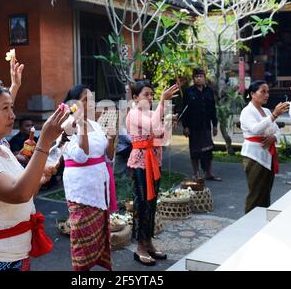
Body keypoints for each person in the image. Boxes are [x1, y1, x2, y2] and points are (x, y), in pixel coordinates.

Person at [0, 84, 68, 271]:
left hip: (16, 255)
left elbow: (26, 195)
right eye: (5, 108)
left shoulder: (4, 151)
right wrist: (45, 141)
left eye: (12, 108)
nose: (12, 115)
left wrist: (38, 179)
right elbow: (20, 194)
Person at [60, 84, 117, 271]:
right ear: (73, 103)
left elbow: (108, 157)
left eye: (92, 99)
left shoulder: (95, 124)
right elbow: (82, 156)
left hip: (99, 187)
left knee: (99, 234)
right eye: (86, 100)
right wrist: (81, 125)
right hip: (81, 191)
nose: (91, 103)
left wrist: (111, 139)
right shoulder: (66, 126)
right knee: (82, 237)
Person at [127, 80, 178, 266]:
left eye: (152, 95)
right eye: (146, 94)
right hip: (141, 164)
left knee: (152, 204)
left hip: (154, 162)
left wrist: (169, 123)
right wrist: (163, 103)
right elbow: (154, 128)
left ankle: (148, 242)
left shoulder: (151, 113)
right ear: (135, 97)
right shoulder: (133, 113)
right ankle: (140, 247)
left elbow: (161, 135)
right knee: (142, 204)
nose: (150, 98)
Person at [240, 81, 289, 213]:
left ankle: (261, 221)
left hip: (268, 155)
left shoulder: (266, 111)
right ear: (252, 94)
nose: (266, 95)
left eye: (268, 92)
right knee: (255, 192)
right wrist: (274, 115)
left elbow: (276, 130)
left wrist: (274, 137)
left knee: (265, 192)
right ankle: (249, 222)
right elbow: (255, 129)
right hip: (254, 155)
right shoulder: (247, 111)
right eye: (263, 91)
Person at [181, 68, 221, 181]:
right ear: (193, 78)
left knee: (208, 150)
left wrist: (214, 125)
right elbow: (184, 110)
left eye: (201, 76)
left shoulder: (209, 91)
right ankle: (196, 173)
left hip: (206, 125)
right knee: (195, 151)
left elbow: (213, 109)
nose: (199, 78)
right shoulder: (188, 92)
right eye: (196, 76)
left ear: (204, 78)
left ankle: (209, 173)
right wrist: (185, 126)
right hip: (193, 126)